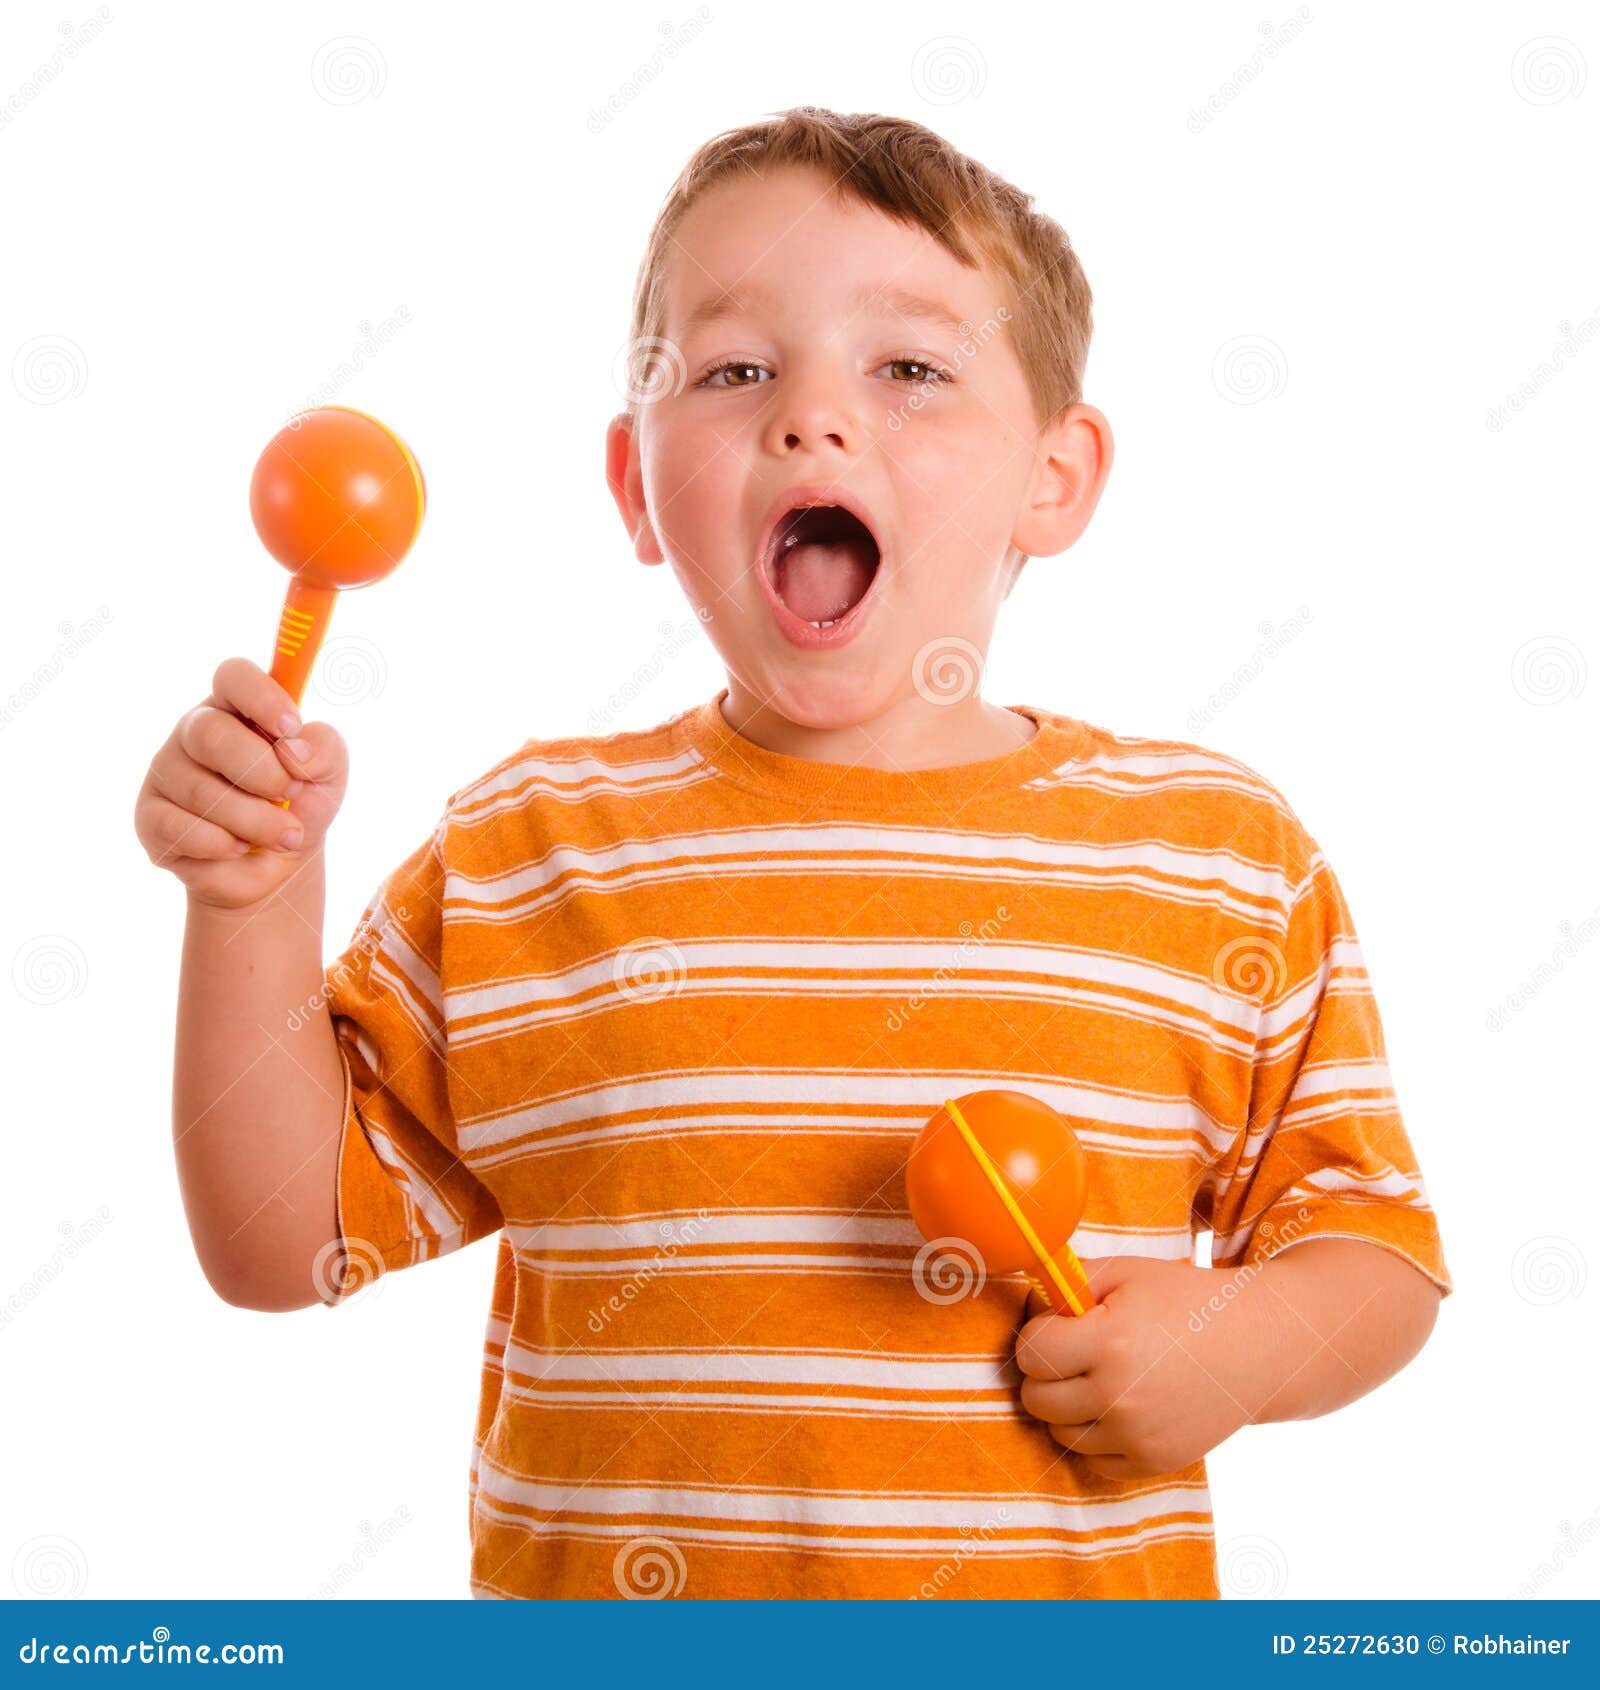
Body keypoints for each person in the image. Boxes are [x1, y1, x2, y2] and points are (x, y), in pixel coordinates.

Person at [134, 107, 1451, 1600]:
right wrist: (252, 898)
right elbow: (281, 1241)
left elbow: (1377, 1251)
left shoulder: (1215, 853)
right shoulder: (531, 850)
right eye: (737, 368)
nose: (812, 417)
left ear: (1055, 475)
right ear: (637, 484)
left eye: (909, 368)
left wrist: (1245, 1343)